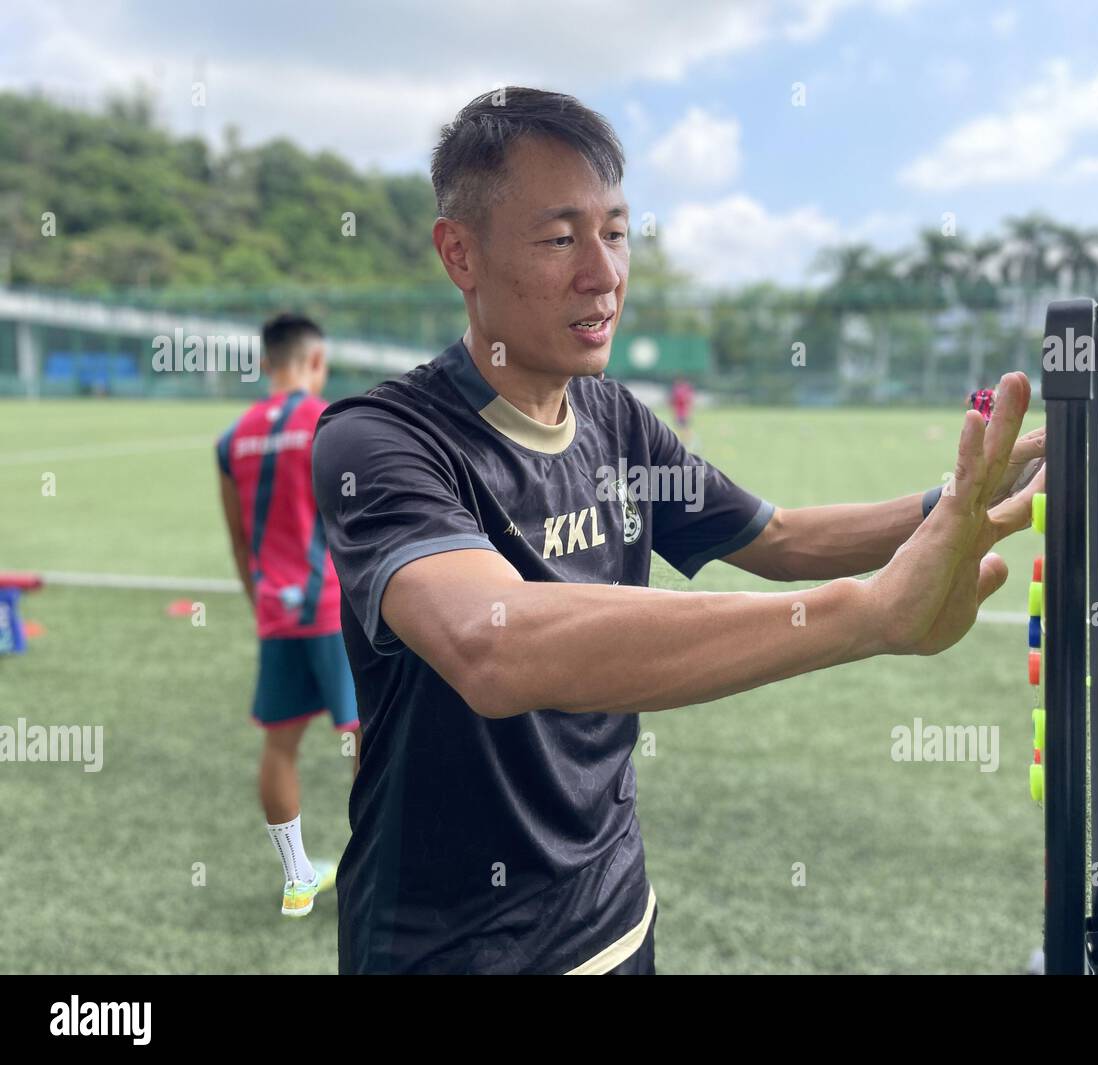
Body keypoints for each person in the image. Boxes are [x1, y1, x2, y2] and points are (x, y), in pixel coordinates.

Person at [311, 87, 1046, 974]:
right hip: (447, 950)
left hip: (617, 920)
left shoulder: (615, 417)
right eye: (559, 238)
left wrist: (959, 498)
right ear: (459, 252)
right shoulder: (381, 438)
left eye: (616, 232)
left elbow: (779, 538)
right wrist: (869, 614)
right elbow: (492, 645)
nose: (604, 273)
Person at [217, 313, 360, 918]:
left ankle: (298, 881)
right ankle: (377, 873)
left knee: (280, 747)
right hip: (332, 607)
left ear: (265, 362)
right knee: (361, 738)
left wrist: (262, 605)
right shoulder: (330, 422)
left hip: (276, 612)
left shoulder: (233, 438)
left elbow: (238, 544)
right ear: (316, 360)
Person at [670, 376, 695, 446]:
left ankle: (689, 442)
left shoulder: (683, 390)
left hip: (683, 413)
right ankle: (684, 442)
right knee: (681, 429)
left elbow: (686, 400)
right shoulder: (678, 389)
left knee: (685, 429)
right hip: (679, 413)